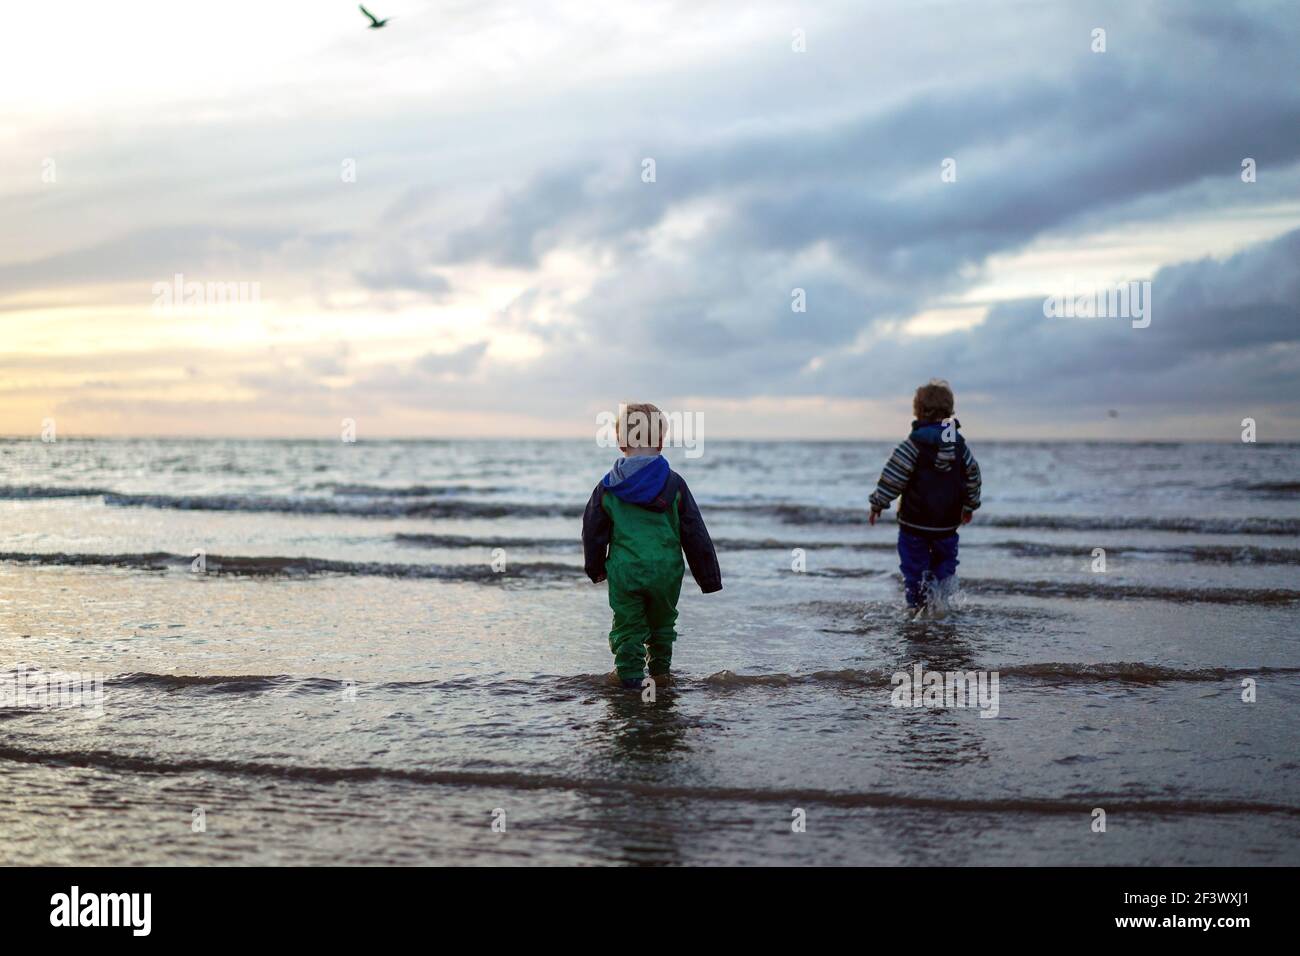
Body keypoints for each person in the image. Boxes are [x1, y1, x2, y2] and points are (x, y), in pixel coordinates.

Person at [582, 402, 721, 688]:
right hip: (665, 572)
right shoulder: (674, 484)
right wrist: (708, 578)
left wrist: (595, 569)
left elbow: (593, 532)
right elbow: (694, 532)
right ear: (660, 441)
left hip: (626, 572)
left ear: (621, 443)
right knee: (662, 626)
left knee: (628, 627)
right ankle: (660, 676)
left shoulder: (608, 487)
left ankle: (631, 681)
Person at [868, 380, 982, 615]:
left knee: (914, 569)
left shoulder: (914, 444)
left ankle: (917, 608)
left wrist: (878, 502)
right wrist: (970, 505)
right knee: (945, 565)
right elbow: (973, 476)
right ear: (950, 411)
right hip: (947, 524)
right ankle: (942, 605)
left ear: (917, 411)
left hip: (915, 524)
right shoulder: (958, 446)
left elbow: (893, 476)